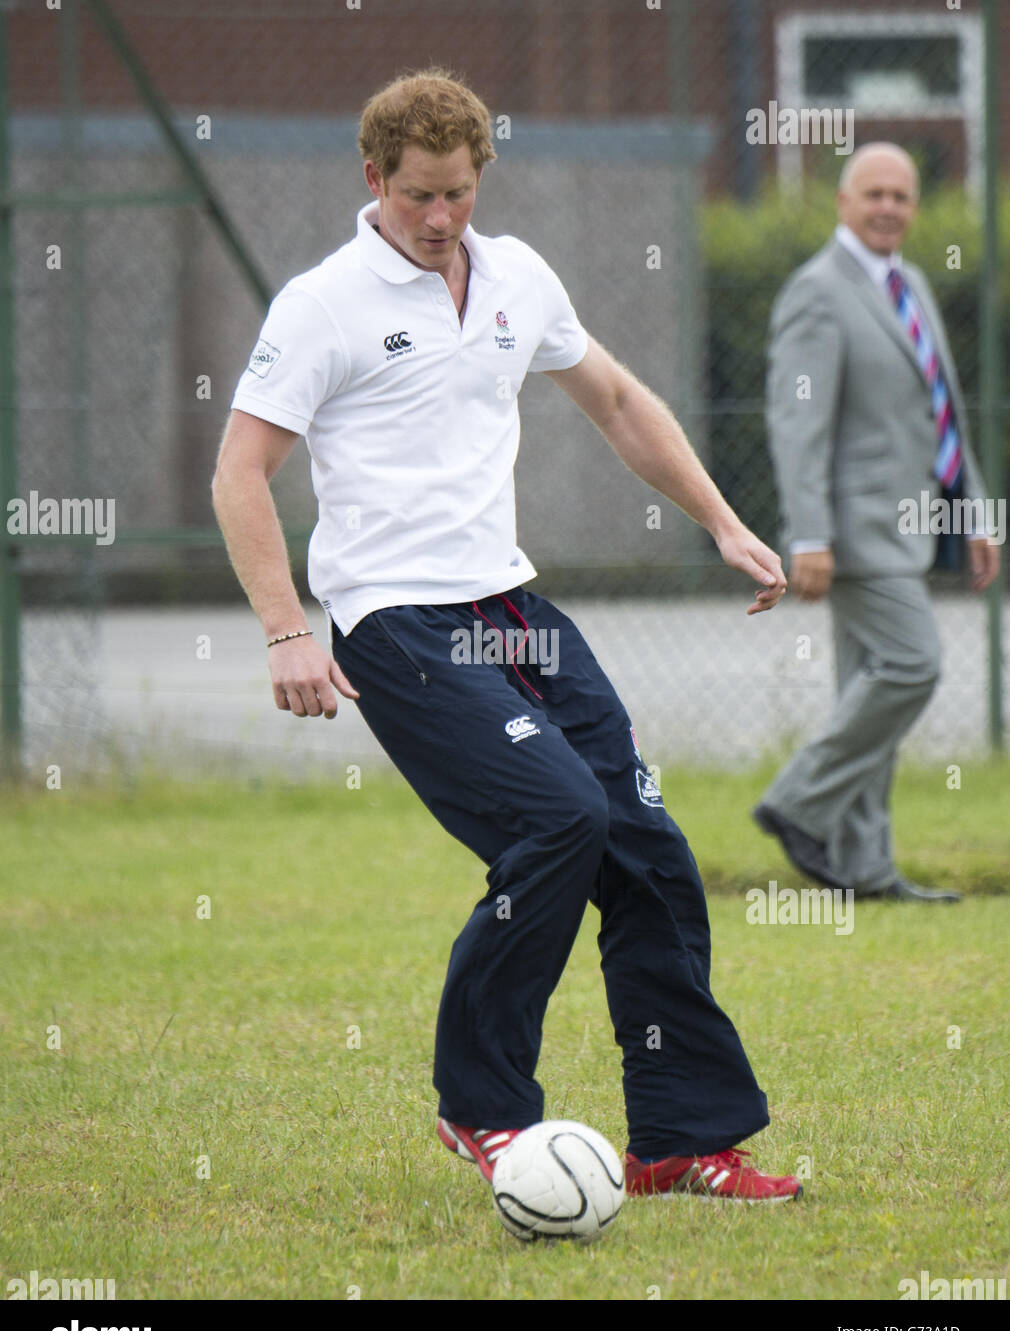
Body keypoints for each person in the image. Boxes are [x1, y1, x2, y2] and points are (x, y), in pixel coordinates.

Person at [212, 68, 801, 1202]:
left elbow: (619, 400)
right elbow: (240, 471)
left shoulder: (517, 275)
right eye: (419, 196)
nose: (440, 220)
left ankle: (681, 1138)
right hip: (394, 623)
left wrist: (721, 521)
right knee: (557, 820)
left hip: (512, 609)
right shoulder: (322, 304)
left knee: (648, 852)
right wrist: (288, 630)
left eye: (460, 196)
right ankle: (481, 1109)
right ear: (373, 178)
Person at [754, 143, 1000, 901]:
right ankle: (797, 801)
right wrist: (809, 537)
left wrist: (976, 509)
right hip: (854, 534)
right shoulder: (817, 291)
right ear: (843, 201)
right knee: (913, 663)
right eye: (875, 194)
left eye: (902, 195)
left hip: (912, 522)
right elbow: (798, 424)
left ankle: (866, 868)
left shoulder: (910, 283)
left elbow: (941, 410)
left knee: (870, 686)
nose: (889, 206)